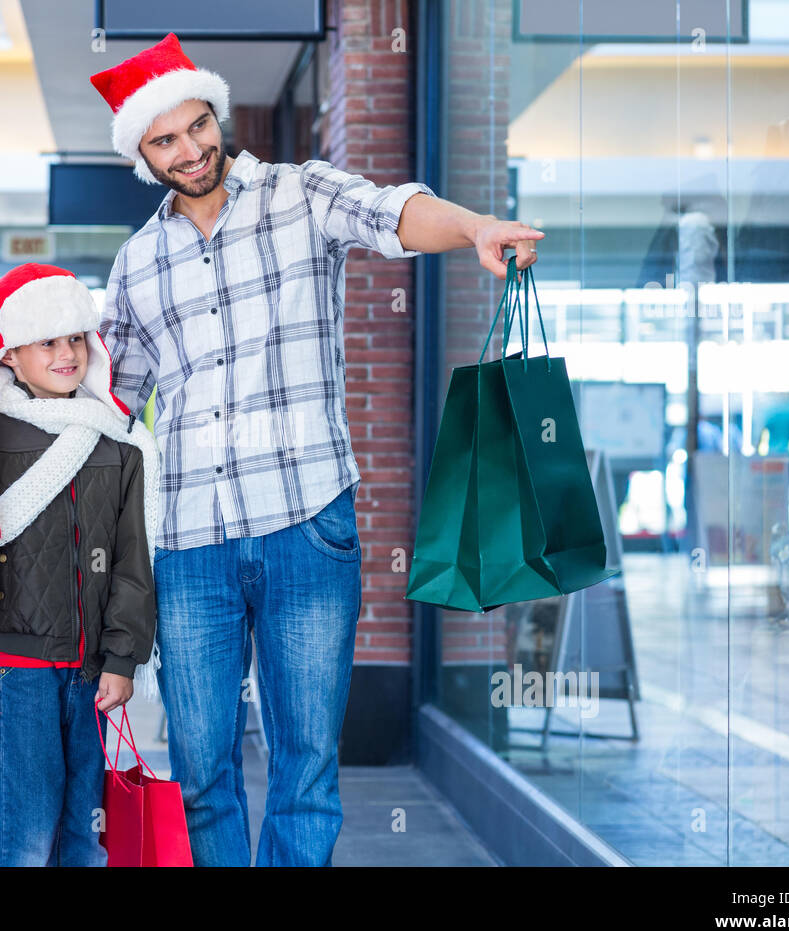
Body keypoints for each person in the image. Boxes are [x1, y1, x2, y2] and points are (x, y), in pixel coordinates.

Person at [90, 33, 543, 866]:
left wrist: (474, 225)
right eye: (166, 141)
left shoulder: (301, 194)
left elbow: (393, 211)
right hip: (189, 544)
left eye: (198, 127)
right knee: (200, 770)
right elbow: (110, 399)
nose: (191, 151)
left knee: (304, 770)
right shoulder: (137, 261)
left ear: (216, 116)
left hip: (307, 527)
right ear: (142, 155)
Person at [0, 263, 159, 866]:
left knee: (84, 834)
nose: (67, 354)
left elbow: (131, 563)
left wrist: (123, 659)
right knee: (29, 828)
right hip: (20, 668)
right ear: (9, 354)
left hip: (94, 671)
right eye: (47, 341)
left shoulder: (118, 445)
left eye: (75, 339)